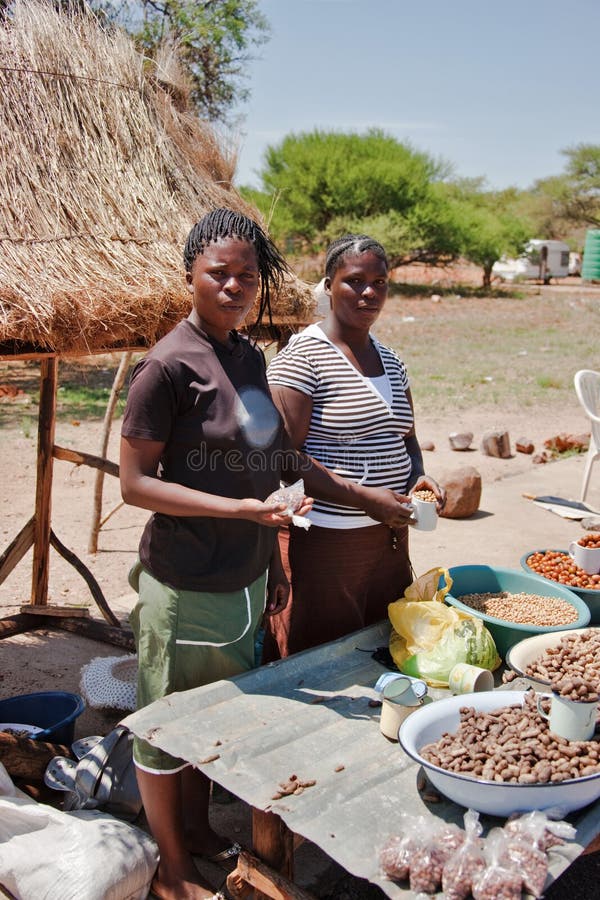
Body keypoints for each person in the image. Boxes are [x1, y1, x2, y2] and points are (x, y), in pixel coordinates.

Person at [119, 208, 311, 900]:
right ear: (190, 275)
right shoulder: (166, 367)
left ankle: (197, 831)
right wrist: (236, 512)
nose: (234, 287)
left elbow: (262, 463)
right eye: (218, 274)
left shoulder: (247, 357)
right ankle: (172, 870)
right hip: (187, 577)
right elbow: (136, 484)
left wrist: (276, 552)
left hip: (245, 571)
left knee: (210, 717)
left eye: (247, 277)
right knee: (164, 726)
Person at [263, 233, 444, 659]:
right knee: (320, 659)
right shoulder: (302, 357)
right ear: (328, 286)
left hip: (390, 538)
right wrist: (364, 498)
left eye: (379, 282)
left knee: (377, 646)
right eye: (354, 281)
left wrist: (419, 474)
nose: (369, 293)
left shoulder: (391, 359)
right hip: (327, 541)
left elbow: (407, 436)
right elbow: (284, 460)